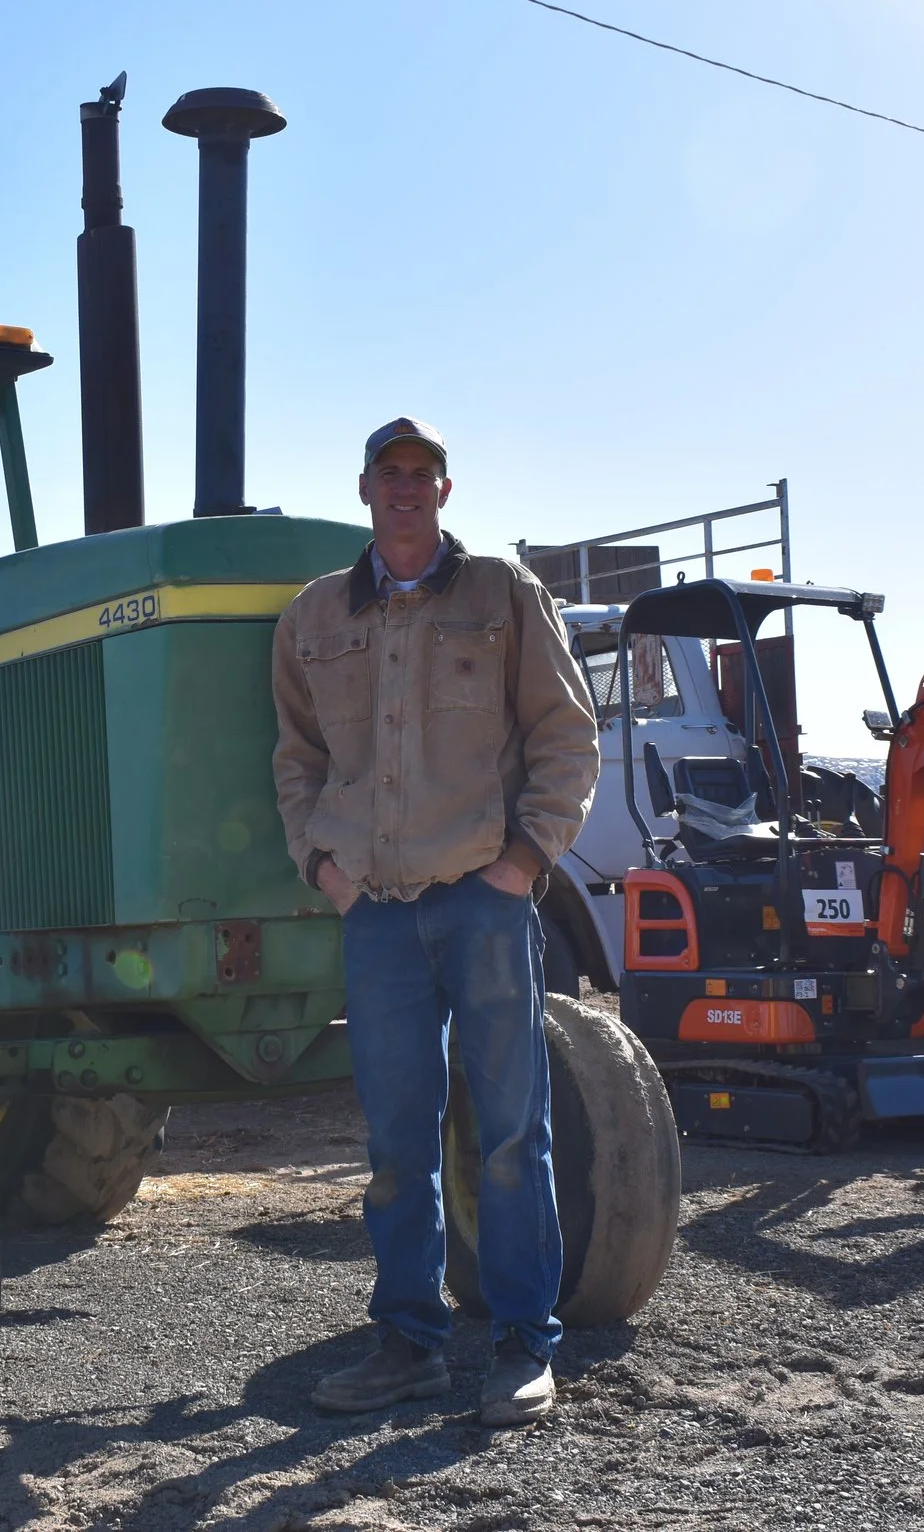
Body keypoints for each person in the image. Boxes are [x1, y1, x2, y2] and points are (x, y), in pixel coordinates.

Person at [270, 416, 600, 1427]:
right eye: (390, 473)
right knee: (394, 1142)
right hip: (374, 914)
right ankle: (408, 1342)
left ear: (444, 491)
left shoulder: (502, 592)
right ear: (364, 487)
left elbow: (566, 733)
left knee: (510, 1134)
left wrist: (523, 862)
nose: (405, 488)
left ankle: (522, 1345)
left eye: (423, 474)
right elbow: (296, 756)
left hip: (481, 903)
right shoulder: (315, 614)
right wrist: (323, 868)